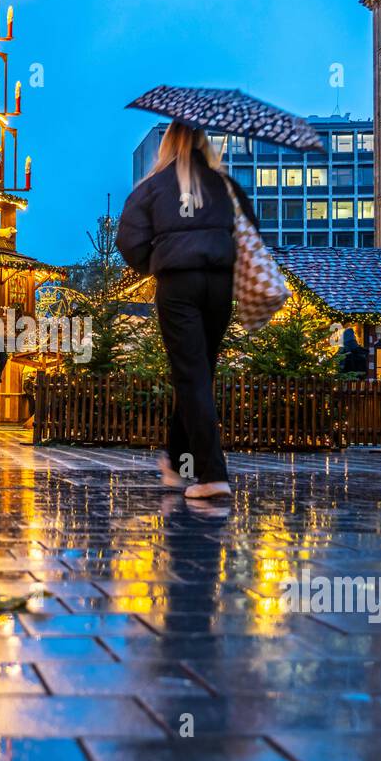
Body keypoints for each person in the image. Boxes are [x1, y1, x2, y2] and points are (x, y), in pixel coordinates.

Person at [116, 120, 245, 500]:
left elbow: (128, 239)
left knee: (191, 375)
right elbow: (242, 230)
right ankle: (177, 461)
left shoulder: (154, 187)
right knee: (198, 372)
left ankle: (212, 474)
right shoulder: (223, 185)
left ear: (168, 142)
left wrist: (155, 261)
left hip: (178, 285)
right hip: (220, 285)